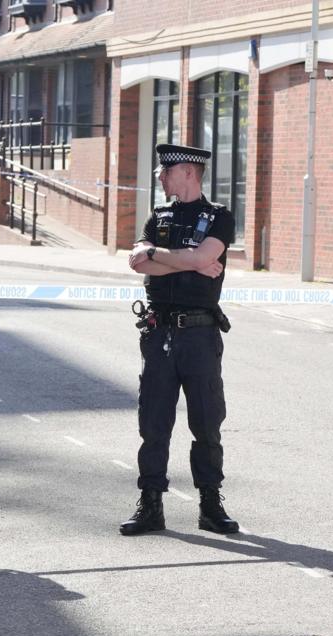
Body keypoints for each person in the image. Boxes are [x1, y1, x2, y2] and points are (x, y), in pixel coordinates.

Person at [121, 143, 238, 536]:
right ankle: (150, 504)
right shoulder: (159, 217)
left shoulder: (219, 217)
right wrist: (185, 258)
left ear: (187, 172)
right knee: (153, 422)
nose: (160, 177)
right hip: (158, 332)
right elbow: (137, 259)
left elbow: (197, 258)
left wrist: (162, 257)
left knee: (206, 422)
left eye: (165, 171)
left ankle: (210, 504)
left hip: (199, 334)